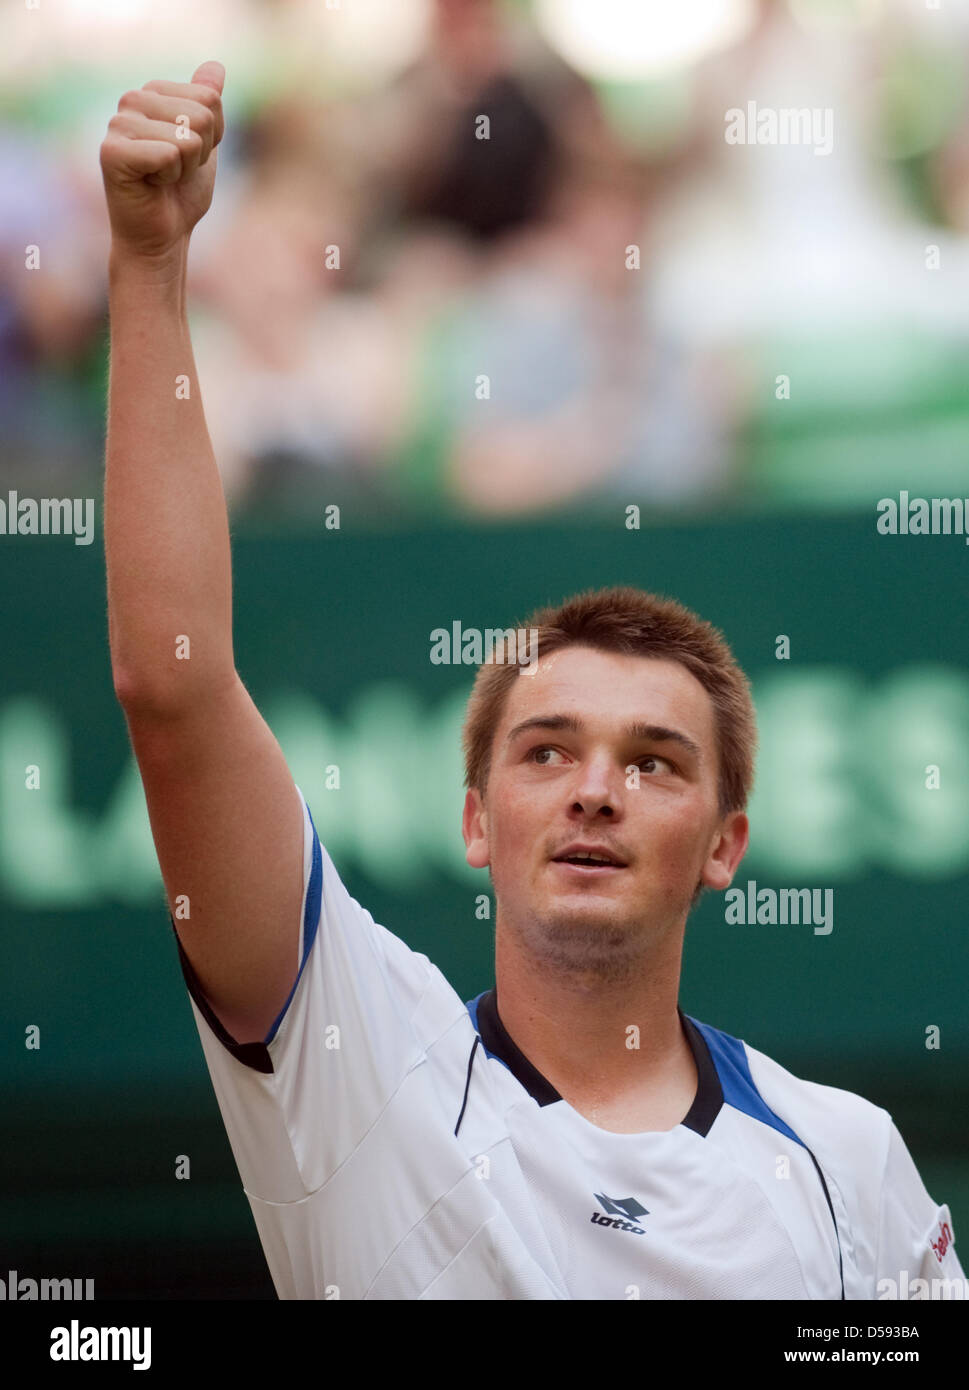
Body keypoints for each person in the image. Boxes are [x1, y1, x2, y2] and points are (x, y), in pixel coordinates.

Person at [101, 61, 964, 1300]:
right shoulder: (358, 1059)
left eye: (654, 761)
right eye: (546, 749)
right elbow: (174, 688)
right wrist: (150, 265)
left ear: (727, 845)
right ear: (473, 819)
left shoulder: (850, 1162)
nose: (595, 790)